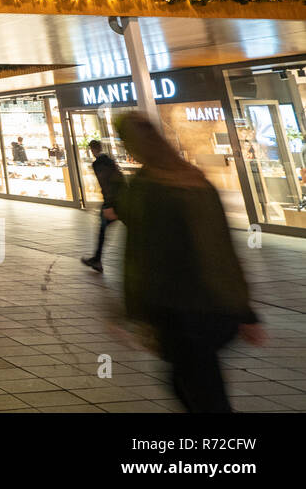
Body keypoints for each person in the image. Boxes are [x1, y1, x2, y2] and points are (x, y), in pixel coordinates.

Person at [114, 112, 265, 413]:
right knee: (190, 383)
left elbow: (142, 252)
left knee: (202, 393)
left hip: (180, 308)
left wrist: (135, 312)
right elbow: (222, 250)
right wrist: (244, 310)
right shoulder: (194, 180)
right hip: (208, 308)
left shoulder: (148, 187)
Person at [81, 140, 125, 273]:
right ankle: (97, 258)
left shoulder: (98, 164)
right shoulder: (109, 160)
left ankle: (97, 259)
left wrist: (108, 204)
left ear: (93, 150)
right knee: (103, 229)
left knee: (102, 230)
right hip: (121, 198)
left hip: (112, 202)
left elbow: (106, 183)